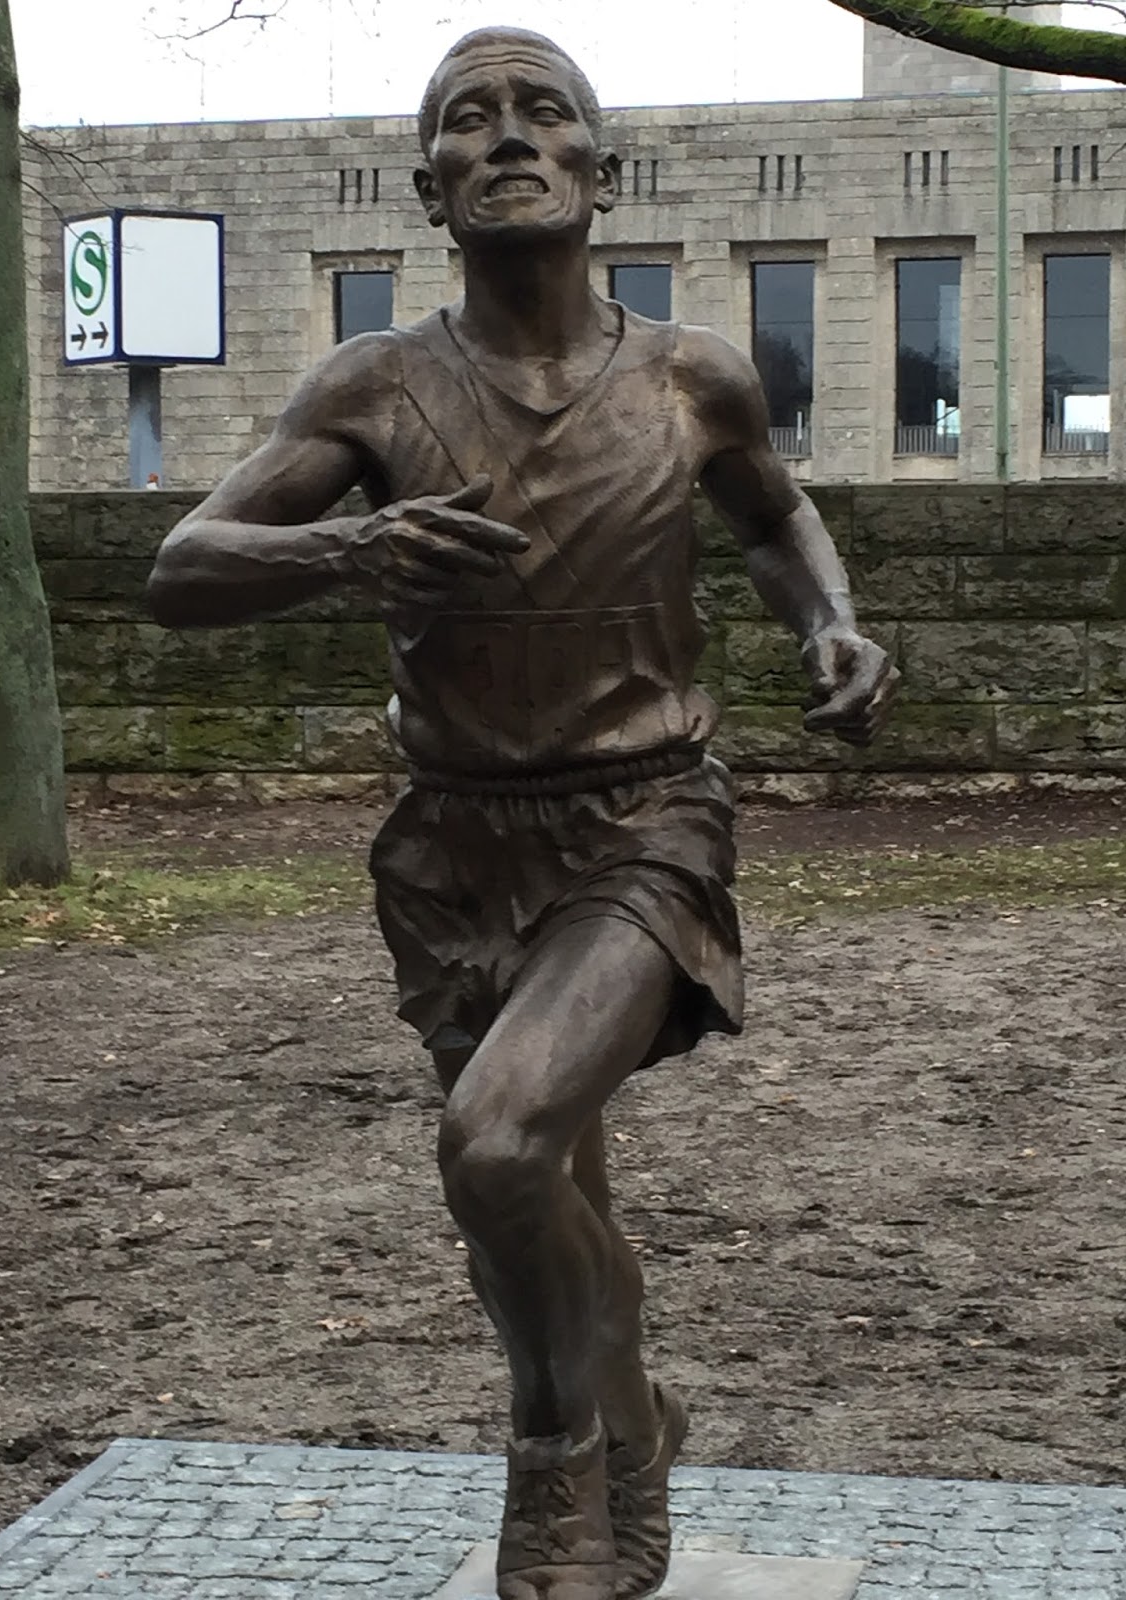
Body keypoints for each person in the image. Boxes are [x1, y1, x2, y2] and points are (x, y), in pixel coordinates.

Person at [148, 25, 898, 1600]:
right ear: (431, 189)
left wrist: (829, 620)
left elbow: (776, 518)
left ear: (598, 173)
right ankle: (637, 1418)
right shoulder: (372, 384)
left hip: (643, 821)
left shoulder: (691, 375)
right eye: (469, 118)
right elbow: (184, 568)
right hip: (454, 844)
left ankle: (558, 1463)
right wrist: (347, 550)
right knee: (538, 1196)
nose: (507, 136)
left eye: (542, 111)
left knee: (494, 1148)